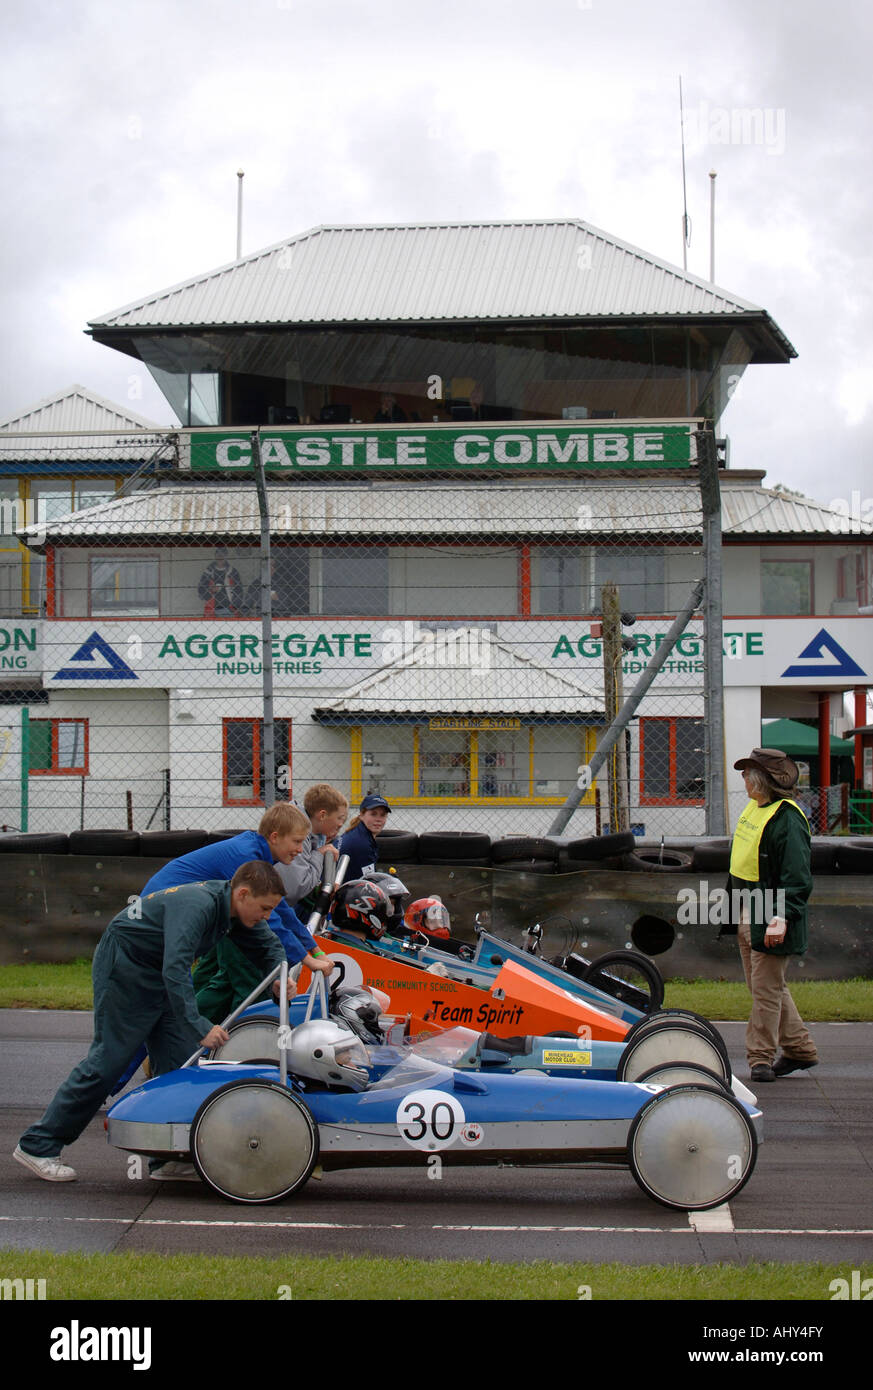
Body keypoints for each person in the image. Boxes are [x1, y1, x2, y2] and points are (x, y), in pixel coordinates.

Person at [13, 862, 292, 1183]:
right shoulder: (198, 906)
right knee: (110, 1060)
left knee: (179, 1062)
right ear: (243, 893)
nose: (267, 915)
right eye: (265, 908)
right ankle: (39, 1145)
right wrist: (199, 1026)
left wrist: (279, 976)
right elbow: (175, 968)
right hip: (126, 967)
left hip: (158, 970)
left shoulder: (234, 907)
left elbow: (268, 944)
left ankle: (167, 1158)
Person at [141, 803, 337, 1021]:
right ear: (274, 837)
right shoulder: (246, 856)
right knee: (157, 1010)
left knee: (169, 1008)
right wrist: (307, 960)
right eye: (297, 842)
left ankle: (188, 1038)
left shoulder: (258, 854)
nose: (301, 850)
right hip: (160, 912)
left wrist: (315, 949)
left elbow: (279, 907)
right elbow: (270, 921)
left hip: (179, 915)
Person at [725, 746, 818, 1084]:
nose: (744, 778)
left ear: (763, 781)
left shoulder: (788, 819)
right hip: (748, 908)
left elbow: (797, 877)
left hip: (769, 912)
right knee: (767, 987)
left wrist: (782, 917)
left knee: (766, 990)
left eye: (749, 772)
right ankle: (800, 1049)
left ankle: (760, 1058)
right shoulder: (756, 808)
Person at [274, 783, 348, 919]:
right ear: (322, 815)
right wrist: (319, 854)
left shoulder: (312, 836)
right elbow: (295, 888)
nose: (340, 824)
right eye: (339, 818)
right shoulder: (297, 833)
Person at [336, 794, 390, 879]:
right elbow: (368, 882)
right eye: (373, 814)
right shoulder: (361, 843)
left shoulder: (357, 832)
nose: (378, 819)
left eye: (382, 815)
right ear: (361, 815)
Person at [198, 547, 242, 617]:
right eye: (218, 554)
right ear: (215, 556)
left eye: (223, 555)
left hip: (229, 608)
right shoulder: (208, 571)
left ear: (226, 556)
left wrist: (236, 607)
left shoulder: (233, 571)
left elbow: (239, 591)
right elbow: (200, 589)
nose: (220, 557)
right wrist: (210, 590)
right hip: (211, 608)